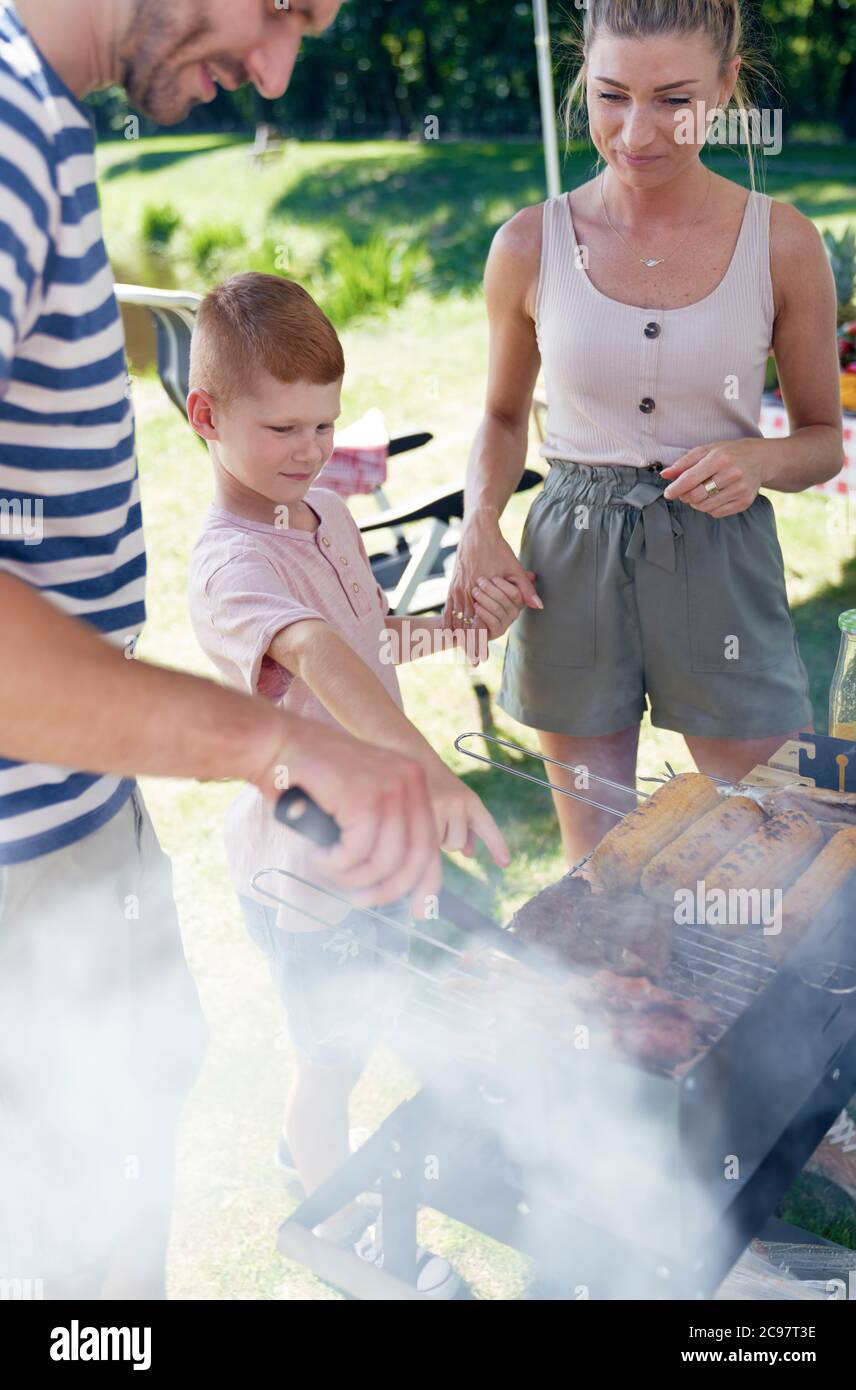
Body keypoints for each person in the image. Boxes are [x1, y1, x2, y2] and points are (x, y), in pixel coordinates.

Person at [0, 0, 443, 1301]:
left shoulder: (45, 118)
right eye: (280, 8)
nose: (276, 68)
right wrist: (278, 741)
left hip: (70, 810)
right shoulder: (10, 125)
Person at [446, 0, 856, 1220]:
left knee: (775, 843)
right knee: (604, 864)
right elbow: (497, 418)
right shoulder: (527, 242)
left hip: (719, 545)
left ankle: (809, 1108)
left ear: (728, 86)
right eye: (612, 94)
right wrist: (479, 520)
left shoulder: (780, 241)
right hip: (569, 546)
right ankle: (622, 1129)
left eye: (674, 98)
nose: (637, 129)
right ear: (581, 81)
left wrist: (756, 462)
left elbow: (820, 438)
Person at [186, 272, 521, 1281]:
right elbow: (321, 664)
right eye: (282, 428)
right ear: (205, 415)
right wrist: (430, 771)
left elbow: (364, 642)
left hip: (381, 852)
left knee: (359, 1034)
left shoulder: (324, 511)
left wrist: (448, 628)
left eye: (323, 424)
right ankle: (337, 1233)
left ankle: (308, 1142)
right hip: (305, 872)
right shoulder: (230, 568)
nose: (309, 450)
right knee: (330, 1061)